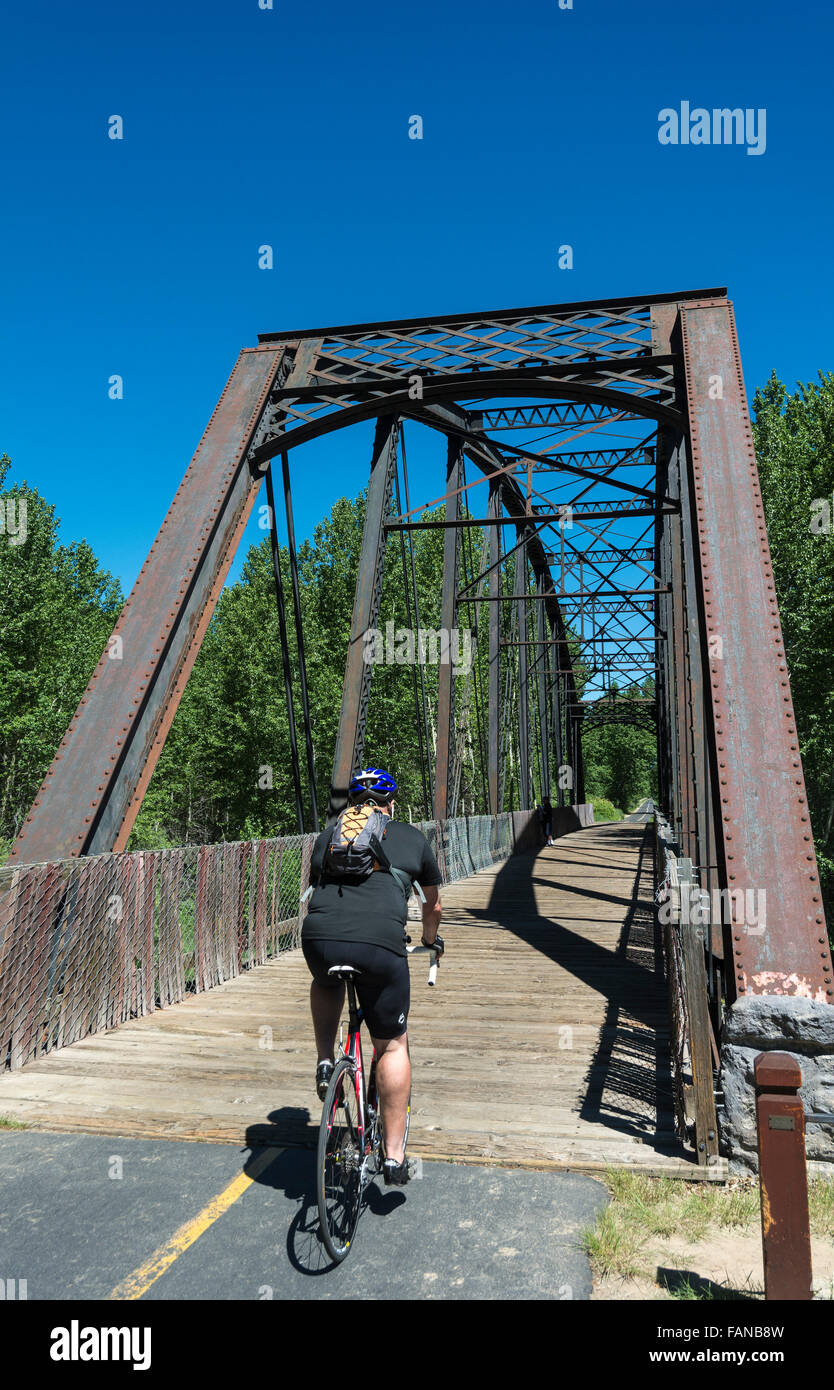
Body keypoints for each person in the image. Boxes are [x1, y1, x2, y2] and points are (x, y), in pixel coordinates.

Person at [301, 767, 444, 1186]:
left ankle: (327, 1060)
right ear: (391, 804)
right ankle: (395, 1157)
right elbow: (433, 905)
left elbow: (315, 893)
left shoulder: (329, 836)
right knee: (393, 1046)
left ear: (350, 805)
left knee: (325, 978)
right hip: (380, 945)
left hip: (320, 939)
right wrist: (429, 940)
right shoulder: (411, 838)